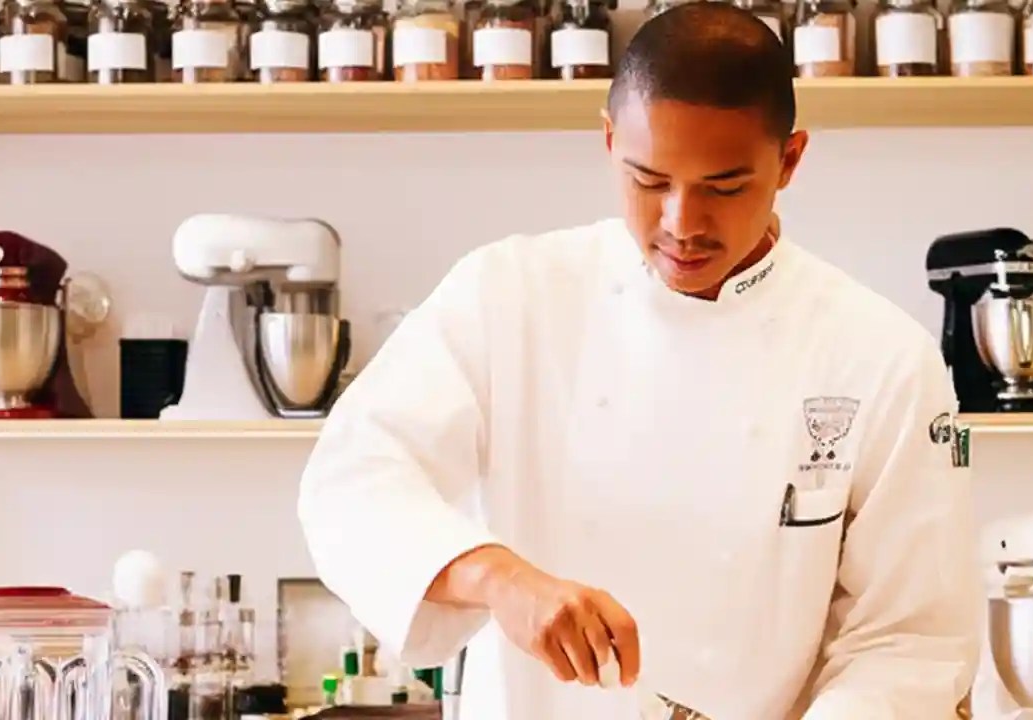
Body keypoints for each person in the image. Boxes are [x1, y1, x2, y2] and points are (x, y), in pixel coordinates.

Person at [297, 3, 981, 718]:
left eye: (724, 187)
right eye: (650, 180)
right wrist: (497, 578)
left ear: (790, 161)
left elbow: (909, 640)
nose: (682, 224)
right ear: (607, 141)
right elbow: (352, 480)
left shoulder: (881, 356)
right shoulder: (509, 294)